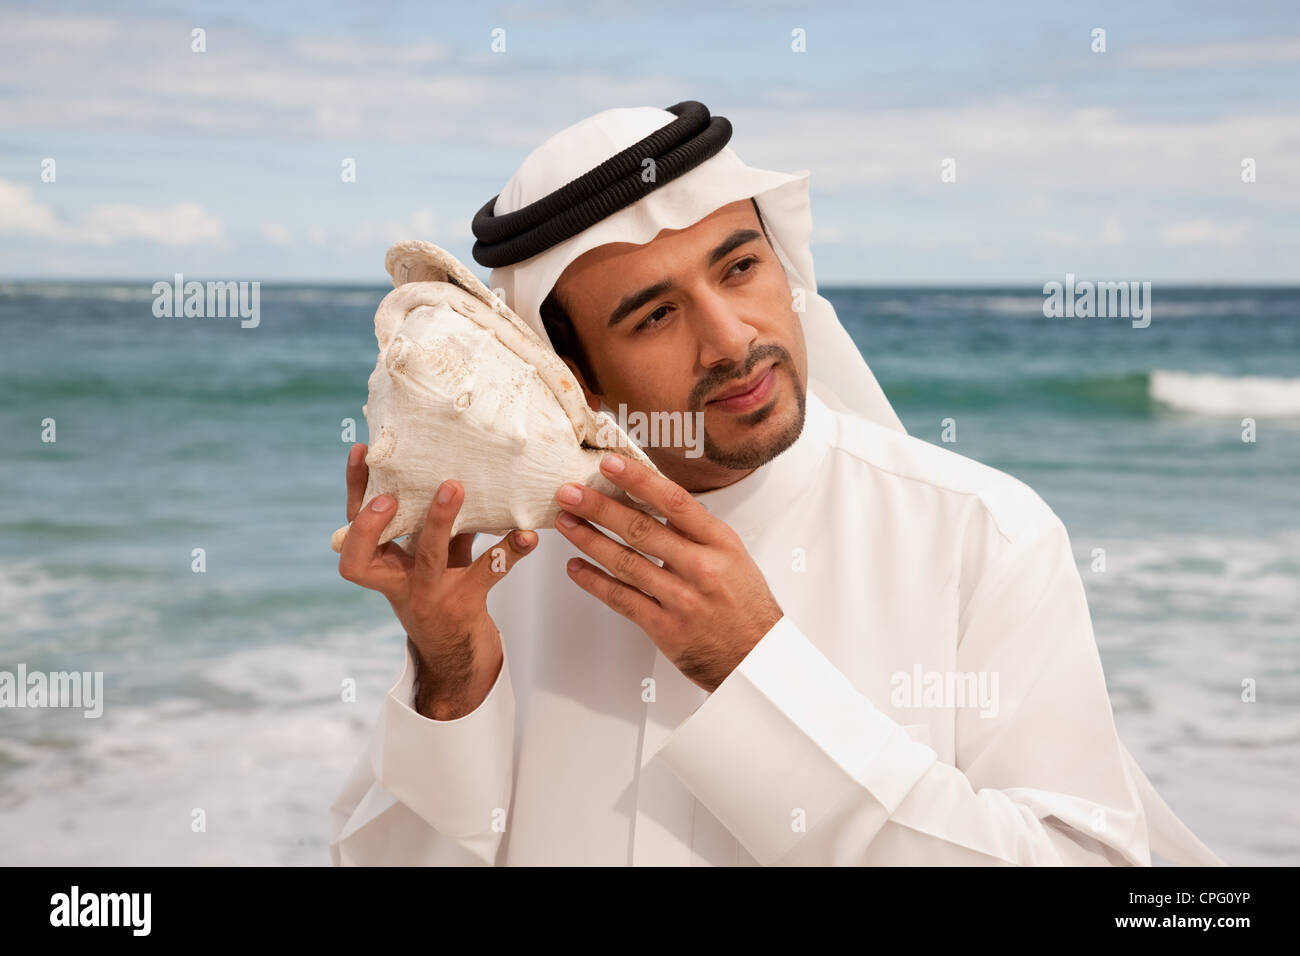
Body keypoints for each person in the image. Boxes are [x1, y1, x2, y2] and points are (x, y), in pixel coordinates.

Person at [328, 101, 1223, 866]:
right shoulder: (511, 569)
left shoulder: (980, 533)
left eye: (740, 268)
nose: (730, 339)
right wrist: (450, 684)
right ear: (576, 375)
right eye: (655, 315)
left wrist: (756, 667)